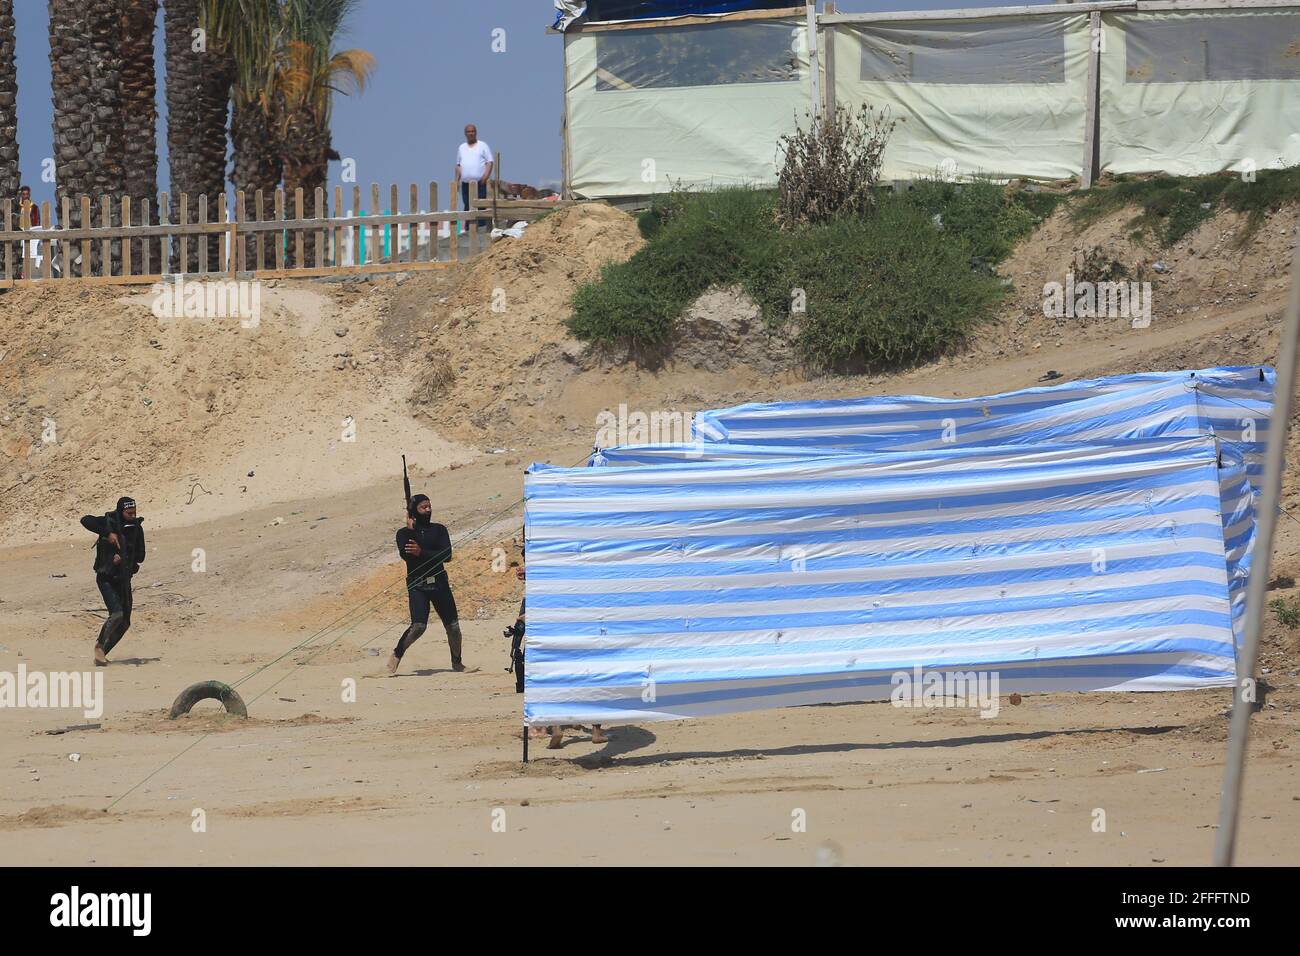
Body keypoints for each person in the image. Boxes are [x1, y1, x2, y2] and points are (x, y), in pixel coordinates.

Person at [387, 494, 466, 673]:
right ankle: (397, 654)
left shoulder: (439, 530)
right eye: (424, 507)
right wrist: (411, 532)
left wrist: (422, 552)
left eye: (429, 506)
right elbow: (407, 555)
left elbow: (446, 555)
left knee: (453, 627)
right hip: (418, 585)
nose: (428, 510)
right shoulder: (403, 533)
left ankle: (457, 662)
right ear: (414, 511)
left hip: (439, 584)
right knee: (418, 627)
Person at [79, 497, 146, 666]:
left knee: (125, 622)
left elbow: (141, 556)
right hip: (106, 578)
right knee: (116, 614)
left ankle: (102, 652)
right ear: (121, 511)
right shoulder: (108, 522)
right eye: (129, 513)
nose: (132, 516)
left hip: (124, 579)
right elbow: (85, 520)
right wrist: (107, 534)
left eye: (134, 513)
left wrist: (125, 555)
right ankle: (99, 645)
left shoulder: (137, 528)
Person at [455, 124, 493, 231]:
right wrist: (457, 181)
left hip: (480, 183)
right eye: (468, 132)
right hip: (465, 183)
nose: (471, 133)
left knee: (480, 205)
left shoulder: (482, 145)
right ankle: (469, 229)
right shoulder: (461, 147)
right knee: (467, 205)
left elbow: (490, 162)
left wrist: (485, 177)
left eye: (472, 131)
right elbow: (458, 165)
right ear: (465, 133)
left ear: (475, 132)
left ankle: (481, 228)